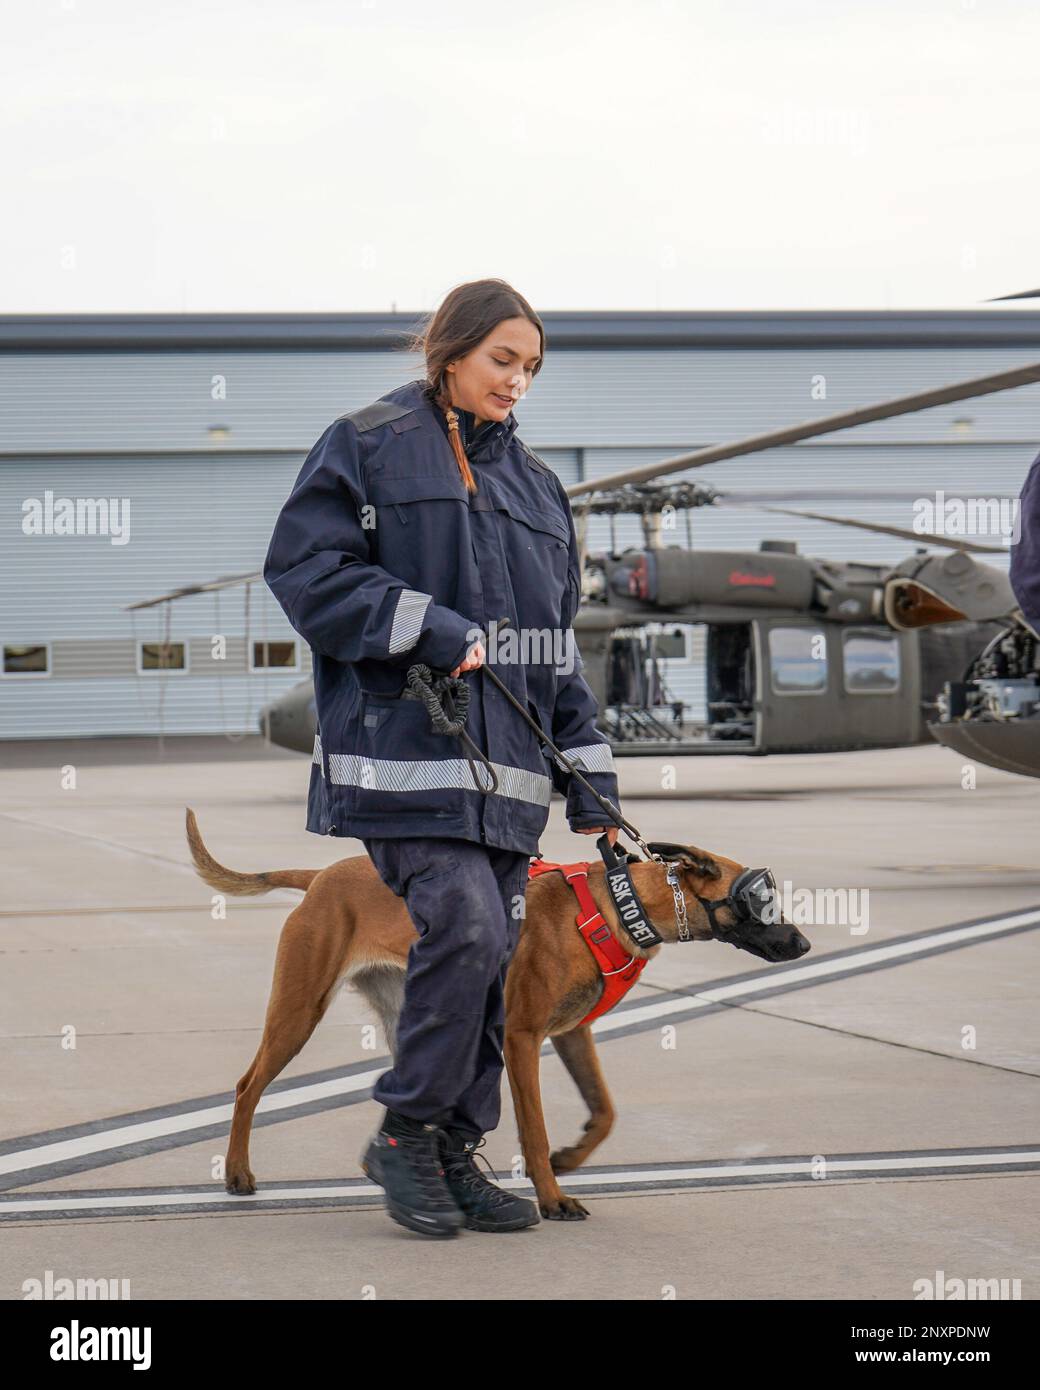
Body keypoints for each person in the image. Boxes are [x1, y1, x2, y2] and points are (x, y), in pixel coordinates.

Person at [263, 278, 623, 1237]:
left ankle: (456, 1150)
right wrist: (426, 628)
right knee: (464, 925)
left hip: (508, 787)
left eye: (532, 367)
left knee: (495, 960)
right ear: (453, 350)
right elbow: (307, 572)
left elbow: (556, 652)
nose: (518, 381)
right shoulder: (368, 444)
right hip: (403, 764)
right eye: (504, 359)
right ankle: (406, 1131)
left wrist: (591, 782)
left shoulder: (540, 490)